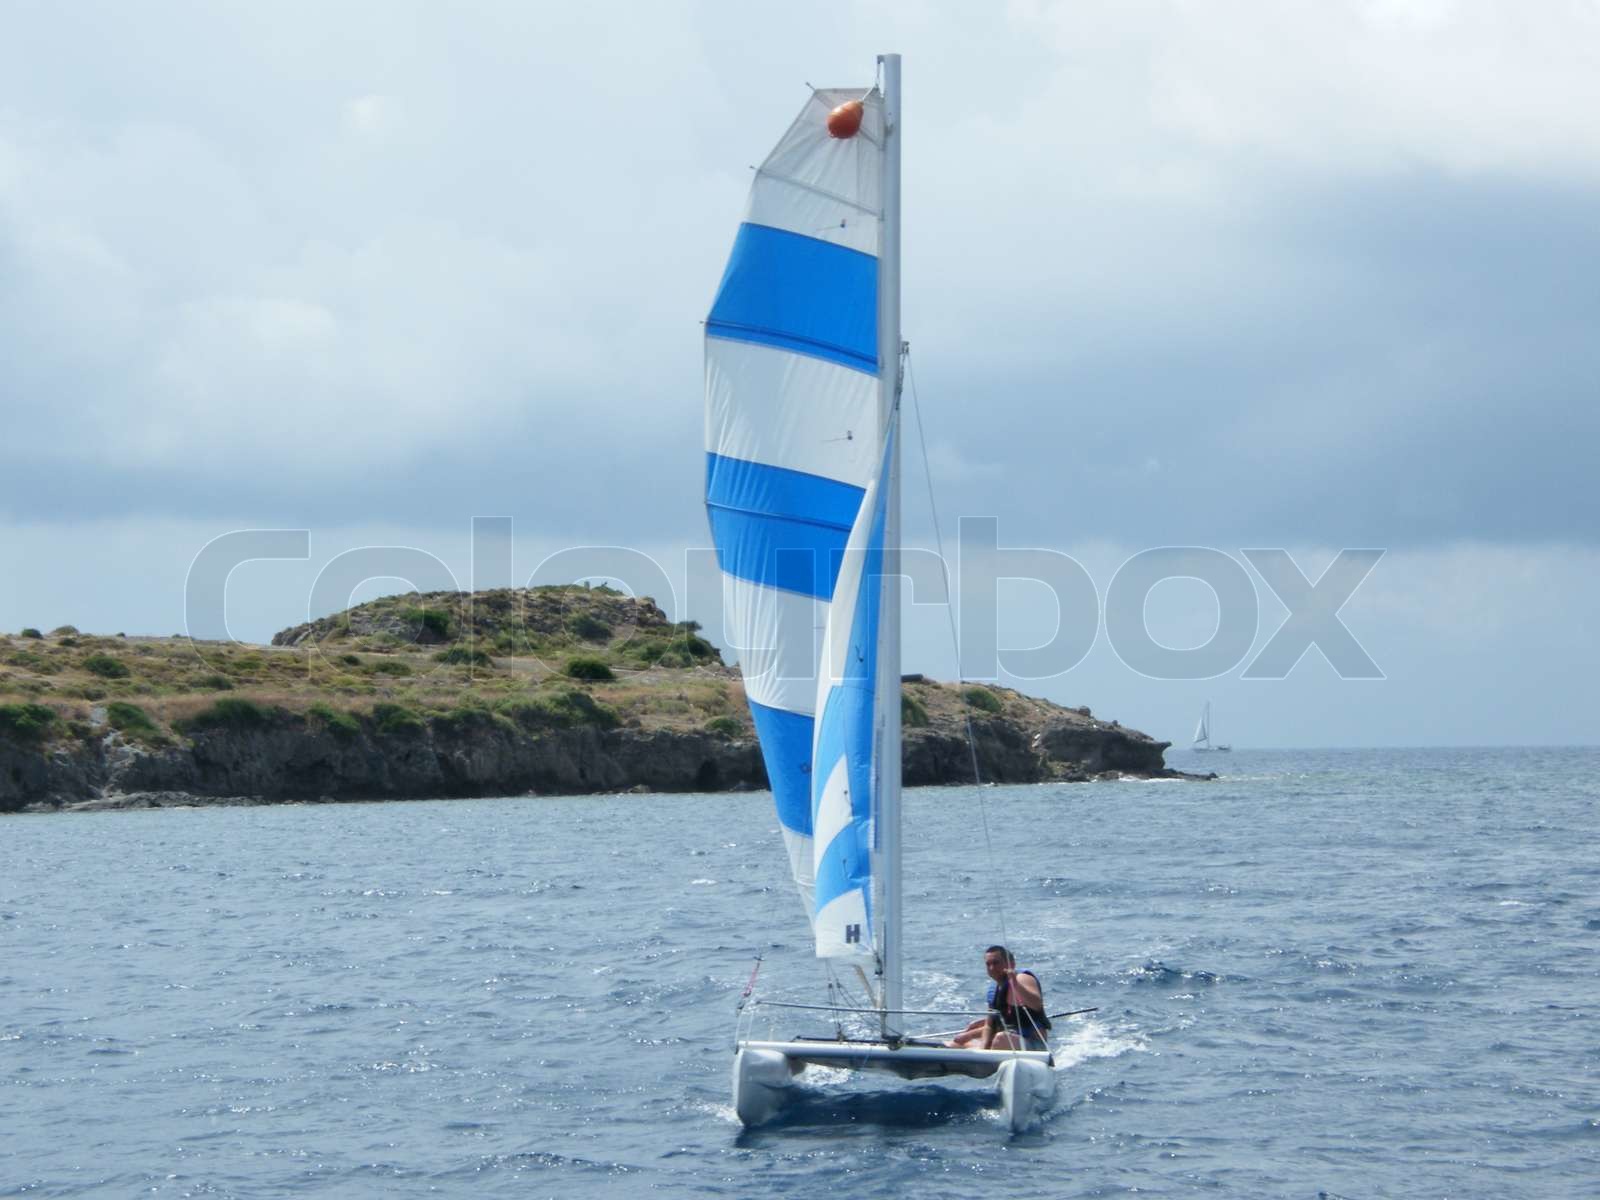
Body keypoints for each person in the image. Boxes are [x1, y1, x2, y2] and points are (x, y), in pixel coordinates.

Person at [949, 945, 1051, 1050]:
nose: (992, 968)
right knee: (954, 1044)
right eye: (988, 964)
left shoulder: (1022, 978)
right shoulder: (994, 990)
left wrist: (1015, 984)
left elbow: (1037, 1004)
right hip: (1005, 1042)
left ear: (1011, 964)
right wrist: (983, 1049)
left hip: (1032, 1044)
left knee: (1001, 1038)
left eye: (996, 963)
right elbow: (989, 1026)